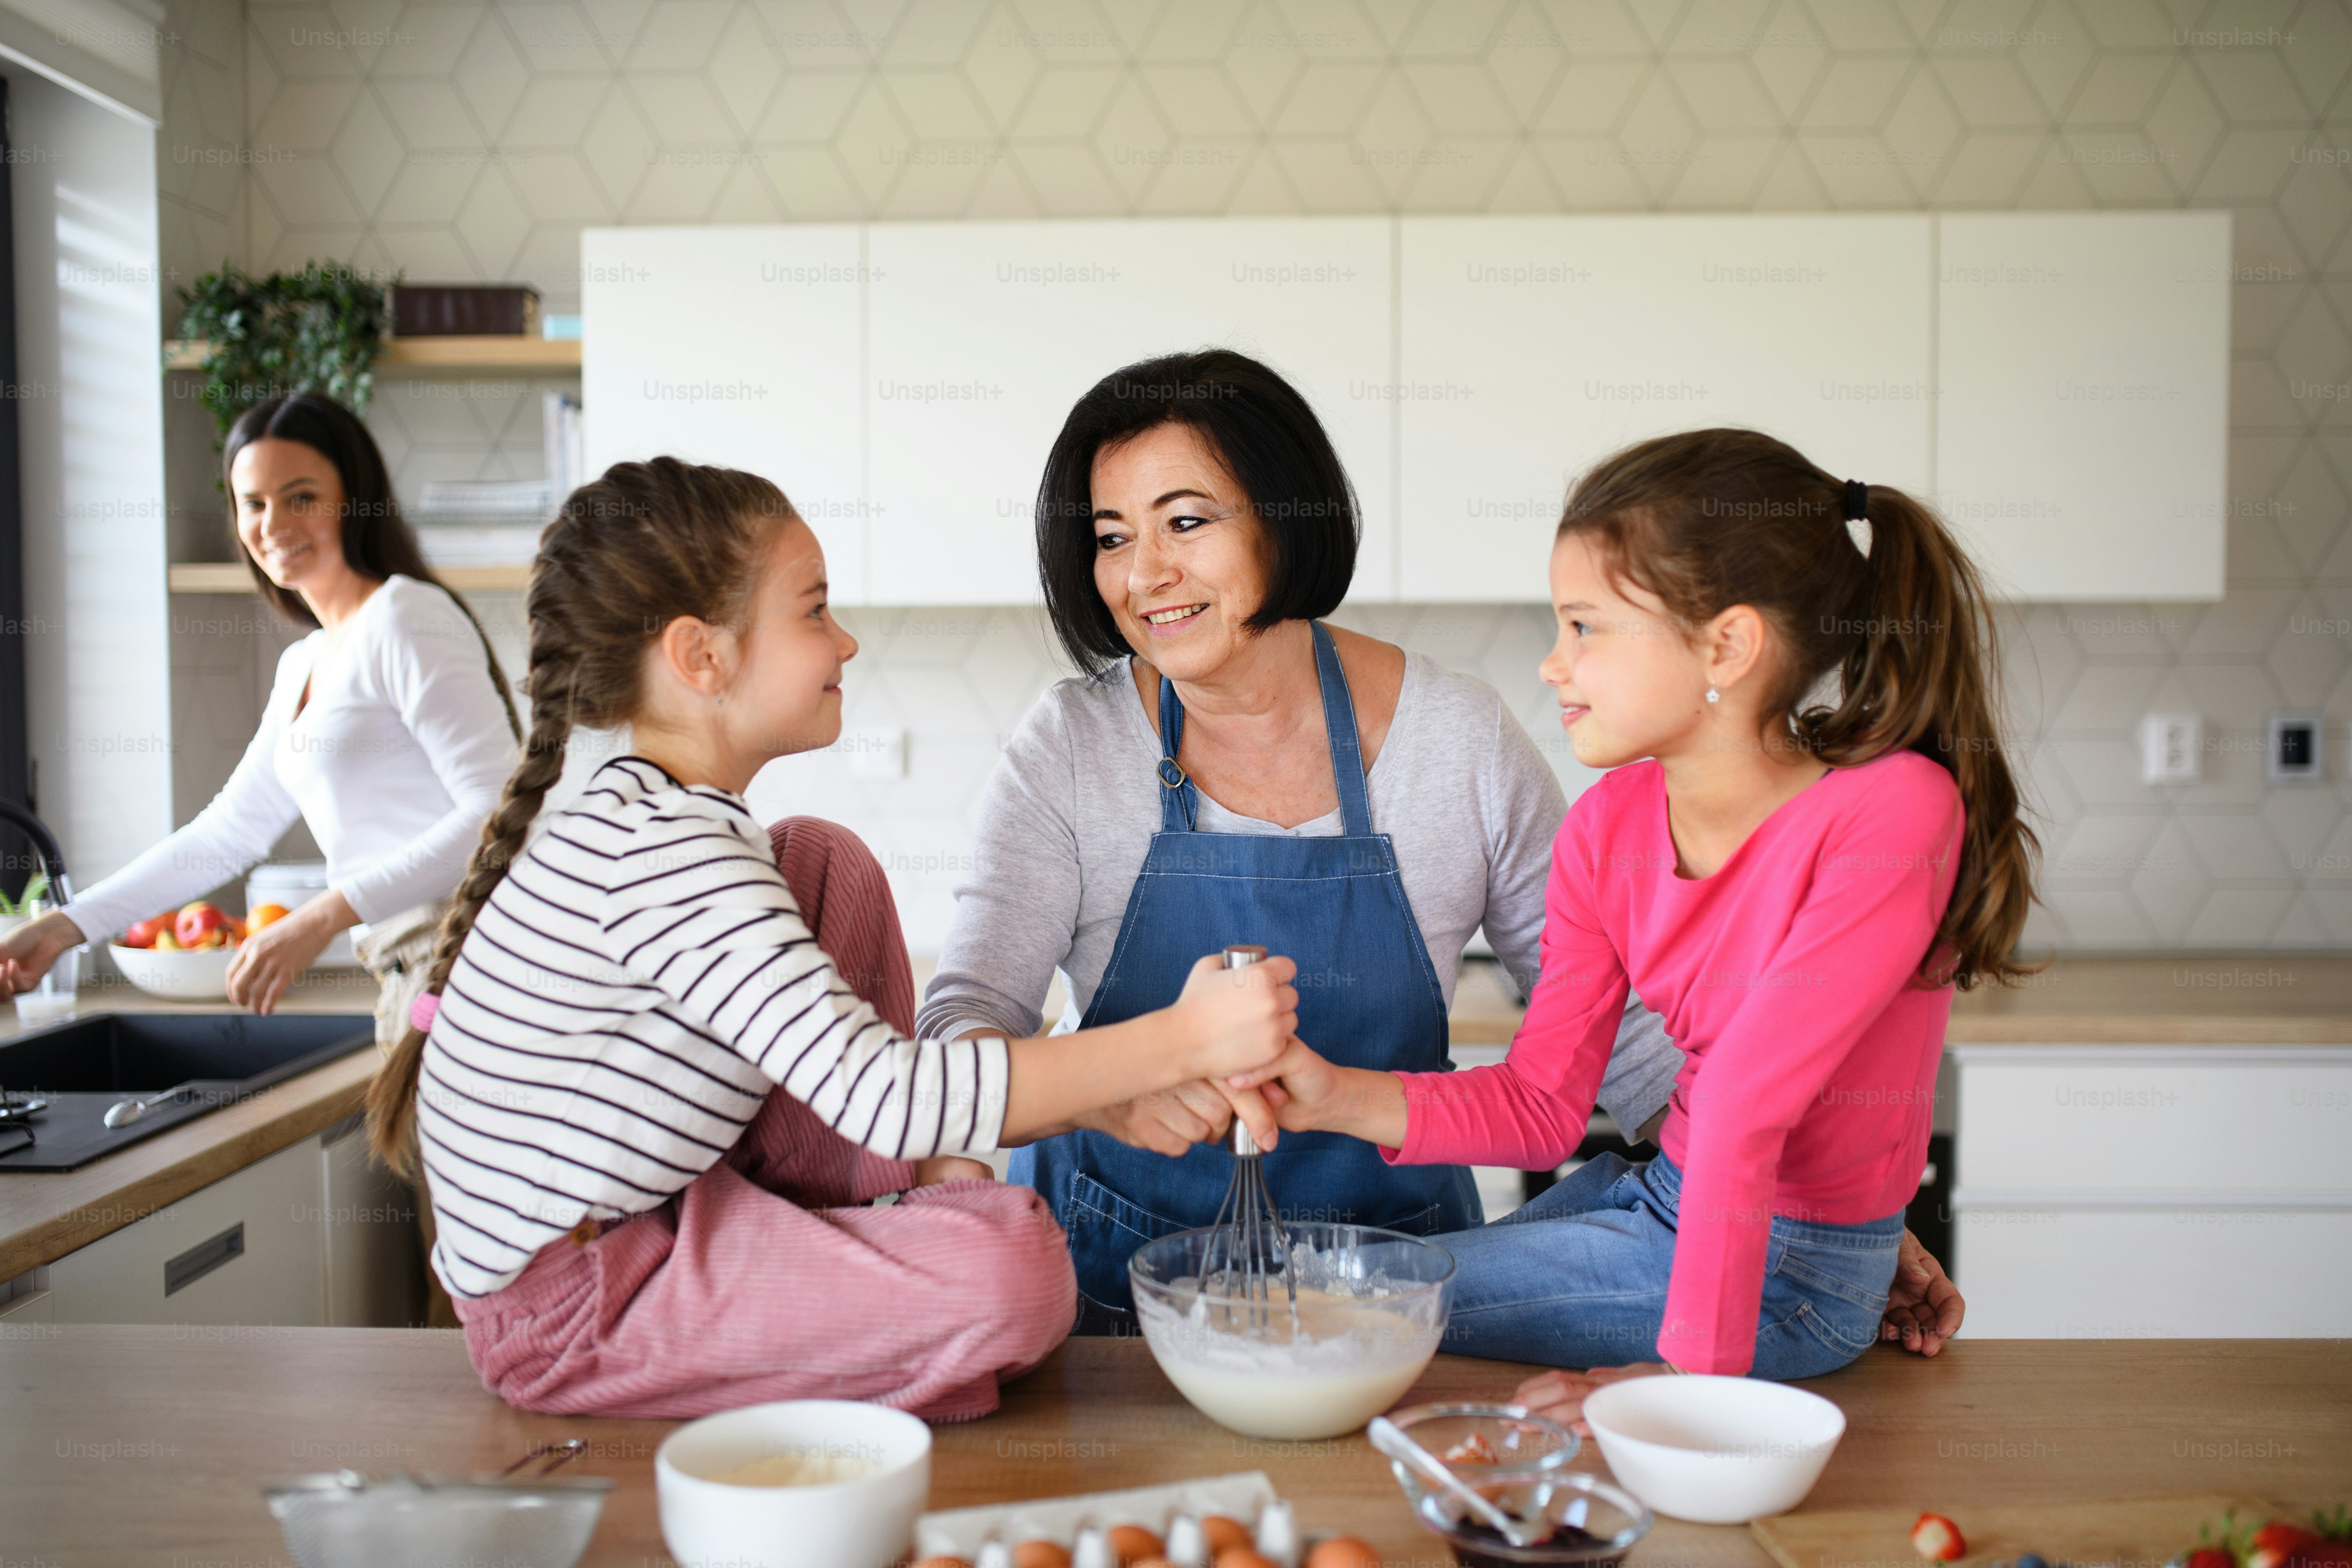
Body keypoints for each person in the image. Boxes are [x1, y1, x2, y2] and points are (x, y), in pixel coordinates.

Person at [365, 457, 1301, 1419]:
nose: (843, 641)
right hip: (579, 1304)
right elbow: (884, 1095)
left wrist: (1095, 1096)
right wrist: (1185, 1039)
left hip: (671, 1207)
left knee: (822, 861)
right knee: (1015, 1272)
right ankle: (898, 1242)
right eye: (813, 612)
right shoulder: (665, 850)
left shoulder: (669, 819)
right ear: (702, 658)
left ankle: (872, 1222)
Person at [1235, 429, 2033, 1418]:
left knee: (1317, 1305)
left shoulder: (1892, 811)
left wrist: (1687, 1392)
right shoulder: (1606, 831)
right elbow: (1541, 1109)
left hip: (1793, 1276)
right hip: (1657, 1201)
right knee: (1315, 1290)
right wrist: (1324, 1094)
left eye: (1585, 626)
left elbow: (1744, 1099)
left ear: (1727, 646)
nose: (1551, 663)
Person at [0, 392, 519, 1051]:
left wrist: (320, 917)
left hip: (468, 966)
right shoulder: (306, 662)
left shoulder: (405, 616)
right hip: (406, 970)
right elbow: (228, 831)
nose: (273, 523)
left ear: (354, 498)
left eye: (300, 497)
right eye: (254, 503)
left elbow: (495, 813)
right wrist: (66, 926)